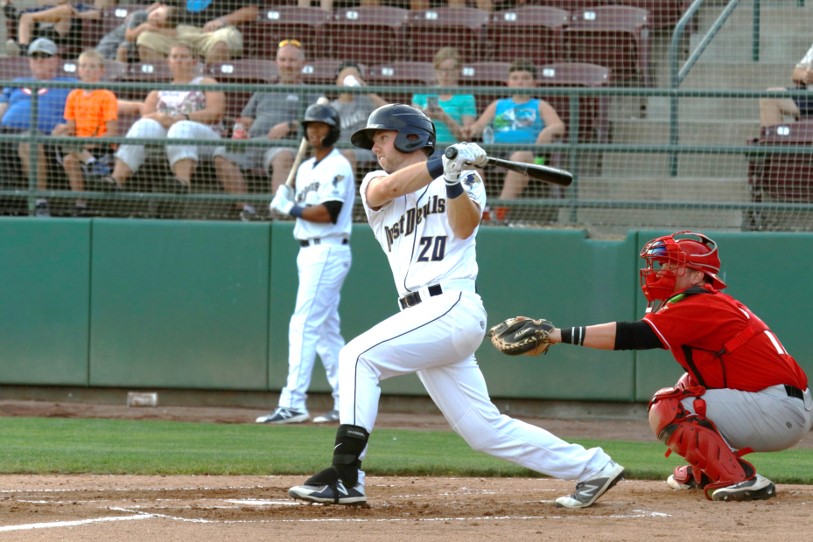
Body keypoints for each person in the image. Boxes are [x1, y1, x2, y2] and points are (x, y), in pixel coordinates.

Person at [287, 104, 625, 509]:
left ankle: (346, 475)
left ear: (410, 137)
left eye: (382, 138)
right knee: (482, 430)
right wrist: (441, 164)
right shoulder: (375, 181)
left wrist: (451, 177)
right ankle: (593, 467)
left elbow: (464, 227)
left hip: (452, 305)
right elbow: (386, 191)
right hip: (421, 316)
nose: (375, 147)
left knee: (357, 356)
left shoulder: (465, 177)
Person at [515, 231, 812, 502]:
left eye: (673, 265)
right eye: (663, 264)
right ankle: (709, 470)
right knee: (687, 384)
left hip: (777, 409)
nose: (661, 271)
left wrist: (557, 335)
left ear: (697, 274)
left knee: (669, 407)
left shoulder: (701, 305)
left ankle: (740, 478)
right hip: (778, 405)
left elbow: (635, 335)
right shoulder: (706, 301)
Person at [256, 103, 356, 425]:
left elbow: (328, 213)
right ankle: (347, 402)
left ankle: (293, 402)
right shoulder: (305, 168)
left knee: (303, 325)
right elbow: (304, 210)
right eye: (310, 126)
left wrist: (290, 208)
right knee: (326, 332)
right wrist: (290, 203)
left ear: (332, 130)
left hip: (328, 249)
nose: (314, 131)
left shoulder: (338, 165)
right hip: (309, 251)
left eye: (320, 126)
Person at [212, 39, 321, 220]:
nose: (287, 65)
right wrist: (241, 127)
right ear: (276, 63)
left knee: (283, 157)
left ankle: (278, 214)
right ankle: (247, 209)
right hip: (254, 142)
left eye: (292, 60)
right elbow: (246, 118)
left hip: (285, 145)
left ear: (303, 64)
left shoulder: (313, 92)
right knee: (221, 153)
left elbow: (320, 123)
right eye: (283, 60)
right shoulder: (264, 90)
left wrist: (290, 125)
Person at [101, 42, 225, 192]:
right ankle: (116, 180)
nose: (178, 60)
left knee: (181, 127)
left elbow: (215, 112)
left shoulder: (207, 83)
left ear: (194, 61)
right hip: (166, 136)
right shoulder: (157, 91)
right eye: (175, 57)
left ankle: (182, 182)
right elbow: (147, 115)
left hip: (204, 138)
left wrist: (184, 117)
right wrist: (160, 118)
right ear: (168, 62)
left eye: (184, 57)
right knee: (144, 125)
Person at [464, 59, 565, 200]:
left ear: (535, 83)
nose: (520, 82)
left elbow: (559, 127)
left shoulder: (540, 105)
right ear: (508, 82)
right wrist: (470, 129)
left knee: (519, 158)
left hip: (527, 153)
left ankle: (501, 209)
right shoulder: (498, 105)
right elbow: (478, 127)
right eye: (515, 78)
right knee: (469, 158)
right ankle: (481, 206)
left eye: (525, 78)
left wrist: (547, 131)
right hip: (496, 151)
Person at [0, 37, 76, 217]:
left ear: (56, 59)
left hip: (45, 136)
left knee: (29, 139)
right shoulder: (17, 83)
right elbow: (2, 108)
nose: (39, 60)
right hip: (7, 135)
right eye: (35, 56)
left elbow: (96, 102)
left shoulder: (69, 85)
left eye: (45, 56)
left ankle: (39, 202)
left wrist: (67, 126)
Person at [52, 48, 118, 215]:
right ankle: (80, 204)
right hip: (77, 145)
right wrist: (62, 130)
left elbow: (111, 132)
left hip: (100, 145)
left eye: (92, 66)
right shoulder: (73, 95)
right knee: (67, 155)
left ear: (101, 70)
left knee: (70, 151)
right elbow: (71, 128)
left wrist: (89, 143)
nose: (87, 70)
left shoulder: (107, 95)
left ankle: (91, 162)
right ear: (78, 70)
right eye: (83, 66)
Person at [135, 1, 259, 64]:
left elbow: (252, 11)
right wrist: (138, 15)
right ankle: (172, 91)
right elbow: (162, 4)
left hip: (217, 32)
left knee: (221, 44)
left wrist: (222, 20)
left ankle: (207, 90)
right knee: (146, 39)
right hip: (179, 32)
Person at [411, 46, 476, 158]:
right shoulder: (421, 94)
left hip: (453, 152)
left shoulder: (467, 98)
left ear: (458, 70)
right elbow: (411, 127)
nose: (445, 75)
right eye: (441, 70)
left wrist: (445, 118)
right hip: (424, 149)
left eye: (449, 70)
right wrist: (423, 115)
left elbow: (465, 137)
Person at [330, 61, 388, 174]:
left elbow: (389, 112)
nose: (350, 78)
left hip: (364, 150)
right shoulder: (332, 107)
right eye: (345, 76)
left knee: (348, 154)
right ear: (337, 81)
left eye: (355, 76)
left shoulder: (367, 102)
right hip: (337, 150)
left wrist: (366, 90)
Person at [4, 0, 106, 57]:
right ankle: (23, 50)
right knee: (25, 17)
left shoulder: (78, 6)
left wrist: (76, 14)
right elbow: (19, 16)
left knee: (65, 10)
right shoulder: (44, 8)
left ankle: (26, 49)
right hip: (39, 36)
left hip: (60, 36)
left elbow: (96, 14)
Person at [95, 3, 179, 63]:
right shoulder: (139, 15)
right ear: (161, 7)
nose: (153, 19)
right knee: (123, 49)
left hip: (130, 47)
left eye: (157, 22)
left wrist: (156, 29)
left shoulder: (163, 25)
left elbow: (174, 33)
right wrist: (143, 27)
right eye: (156, 14)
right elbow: (128, 36)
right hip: (111, 44)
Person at [759, 43, 813, 128]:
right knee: (769, 96)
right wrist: (804, 76)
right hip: (809, 97)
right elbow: (796, 74)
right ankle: (773, 136)